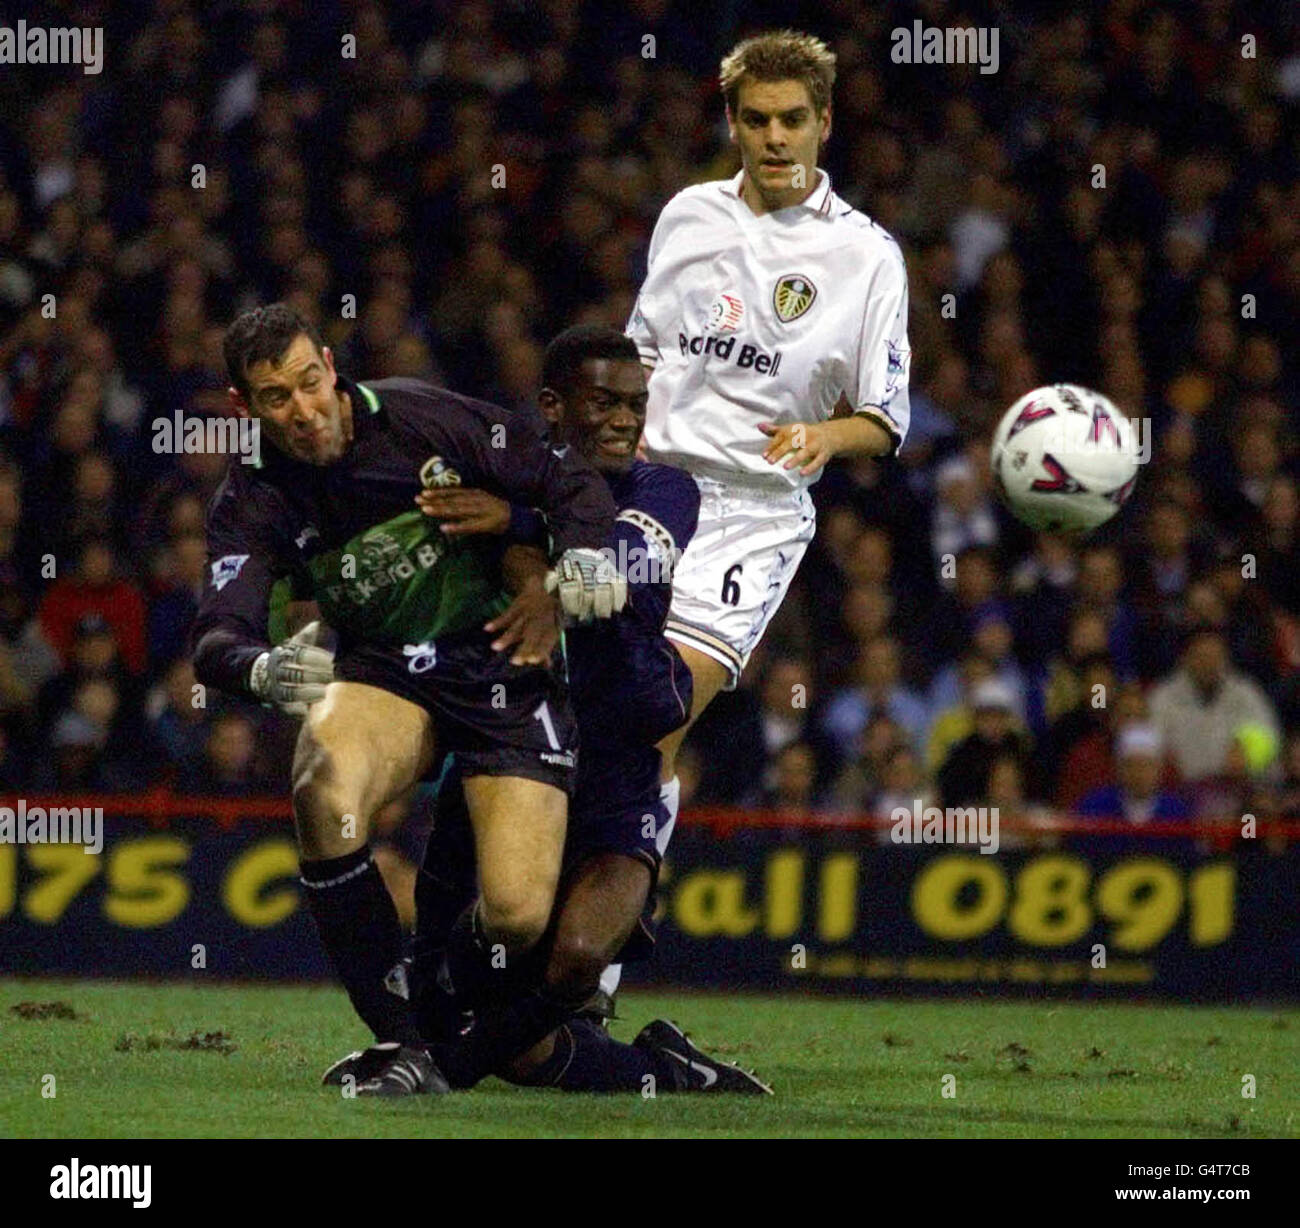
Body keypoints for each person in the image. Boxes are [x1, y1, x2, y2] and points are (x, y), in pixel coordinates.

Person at [326, 326, 770, 1095]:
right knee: (499, 1030)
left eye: (635, 404)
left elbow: (624, 560)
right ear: (553, 407)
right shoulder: (504, 473)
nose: (624, 420)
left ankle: (434, 1067)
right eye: (603, 403)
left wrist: (516, 524)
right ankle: (662, 1070)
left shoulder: (666, 488)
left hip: (613, 769)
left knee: (574, 958)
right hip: (506, 752)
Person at [190, 303, 621, 1095]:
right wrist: (261, 670)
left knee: (519, 916)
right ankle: (405, 1043)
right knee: (322, 789)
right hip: (385, 672)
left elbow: (565, 476)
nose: (303, 410)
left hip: (501, 663)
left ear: (328, 363)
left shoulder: (424, 418)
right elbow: (218, 634)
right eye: (275, 398)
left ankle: (447, 1002)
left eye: (309, 383)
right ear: (242, 408)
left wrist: (587, 555)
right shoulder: (253, 496)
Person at [624, 29, 911, 996]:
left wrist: (828, 440)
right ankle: (572, 928)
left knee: (651, 709)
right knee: (578, 719)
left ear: (825, 123)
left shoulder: (866, 257)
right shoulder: (687, 217)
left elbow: (886, 416)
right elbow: (641, 359)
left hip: (750, 514)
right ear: (733, 122)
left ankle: (607, 949)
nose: (776, 138)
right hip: (644, 491)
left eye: (794, 120)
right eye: (757, 120)